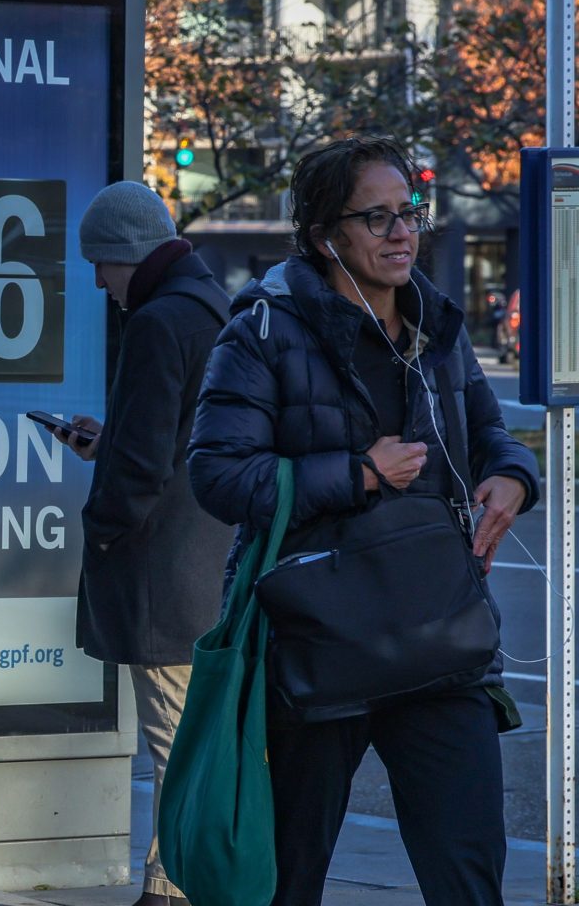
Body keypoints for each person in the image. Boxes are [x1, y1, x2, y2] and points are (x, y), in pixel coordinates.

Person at [188, 136, 538, 905]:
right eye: (375, 218)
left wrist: (515, 477)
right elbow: (215, 473)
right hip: (318, 648)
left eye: (409, 212)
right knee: (285, 880)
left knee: (470, 876)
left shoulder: (437, 329)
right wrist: (358, 474)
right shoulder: (263, 330)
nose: (402, 232)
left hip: (439, 639)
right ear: (325, 235)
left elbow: (490, 433)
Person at [51, 181, 233, 906]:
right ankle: (172, 885)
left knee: (173, 744)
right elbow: (187, 440)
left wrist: (100, 530)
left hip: (163, 576)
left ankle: (170, 892)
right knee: (191, 743)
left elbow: (143, 466)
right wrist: (114, 438)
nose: (98, 281)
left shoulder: (160, 322)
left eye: (101, 264)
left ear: (129, 253)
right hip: (210, 564)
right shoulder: (213, 307)